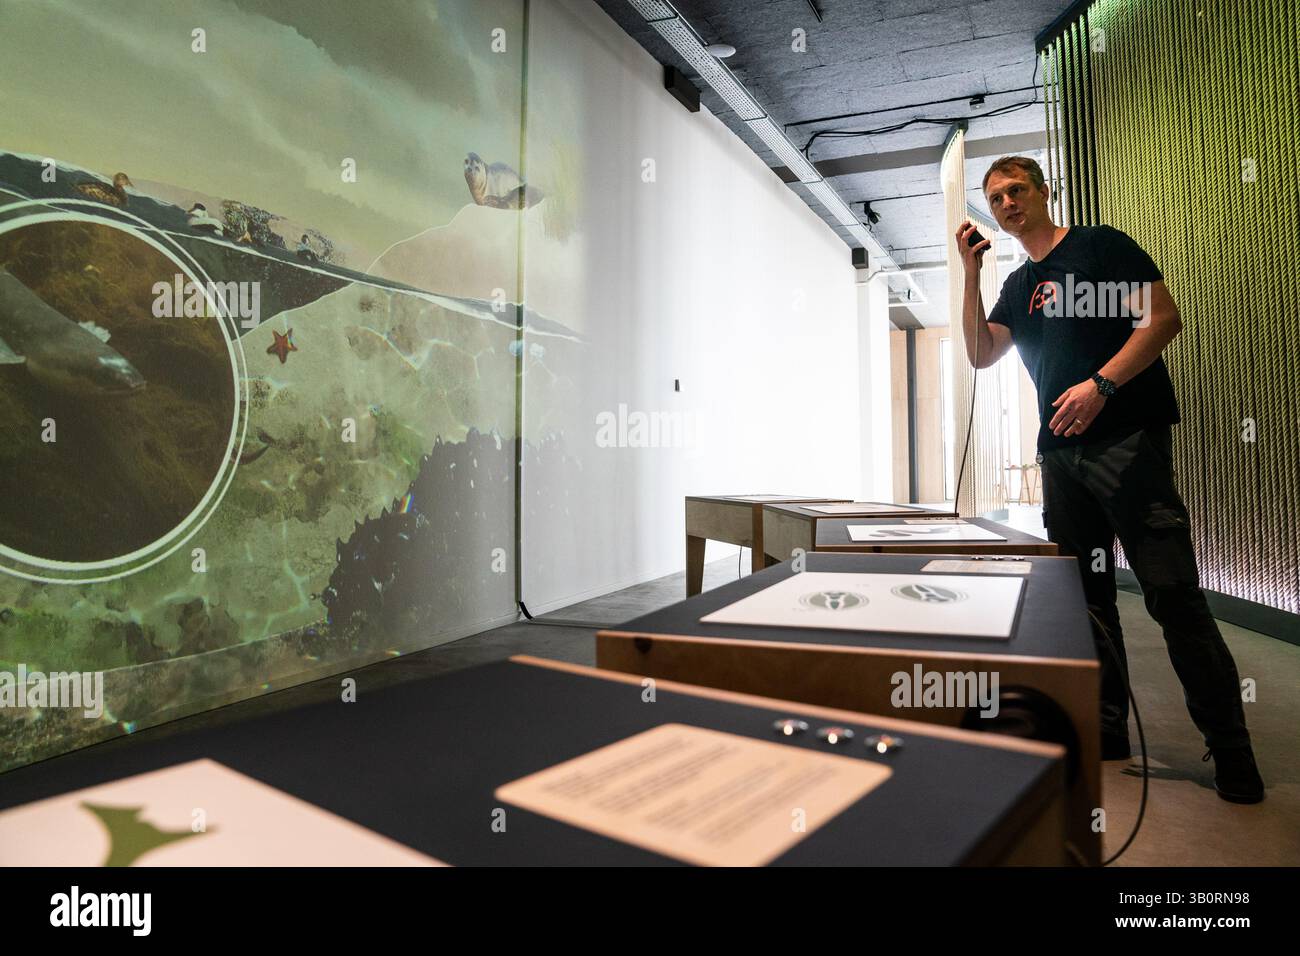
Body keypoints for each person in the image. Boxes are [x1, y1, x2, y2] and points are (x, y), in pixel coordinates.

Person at [956, 155, 1264, 803]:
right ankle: (1108, 730)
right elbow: (982, 355)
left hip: (1127, 445)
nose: (1008, 202)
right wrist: (969, 273)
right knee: (1087, 607)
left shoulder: (1100, 246)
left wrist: (1101, 384)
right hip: (1060, 458)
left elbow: (1162, 320)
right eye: (996, 197)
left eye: (1017, 190)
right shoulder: (1018, 285)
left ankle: (1233, 752)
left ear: (1043, 193)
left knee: (1172, 596)